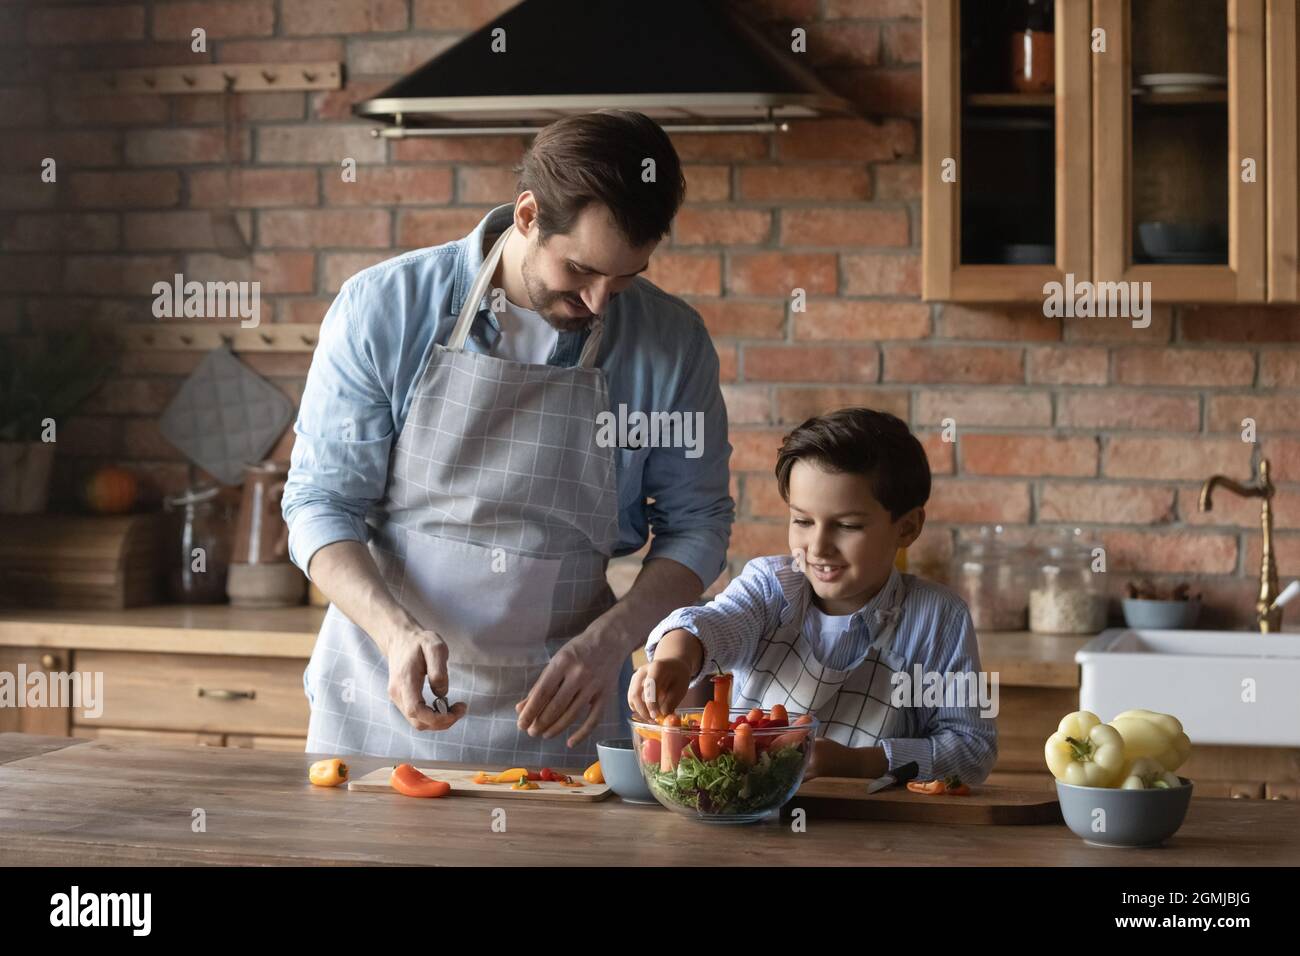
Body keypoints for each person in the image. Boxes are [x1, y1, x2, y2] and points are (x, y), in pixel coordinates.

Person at [285, 110, 733, 767]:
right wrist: (395, 632)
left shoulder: (671, 342)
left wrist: (612, 641)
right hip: (379, 696)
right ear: (528, 216)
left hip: (562, 713)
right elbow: (320, 504)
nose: (602, 301)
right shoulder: (384, 307)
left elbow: (698, 525)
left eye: (626, 277)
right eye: (580, 270)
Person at [629, 407, 997, 783]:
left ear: (907, 528)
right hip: (753, 823)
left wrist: (859, 764)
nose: (818, 547)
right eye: (802, 521)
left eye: (847, 525)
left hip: (882, 832)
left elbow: (972, 749)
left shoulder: (938, 618)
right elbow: (714, 622)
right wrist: (676, 658)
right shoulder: (770, 587)